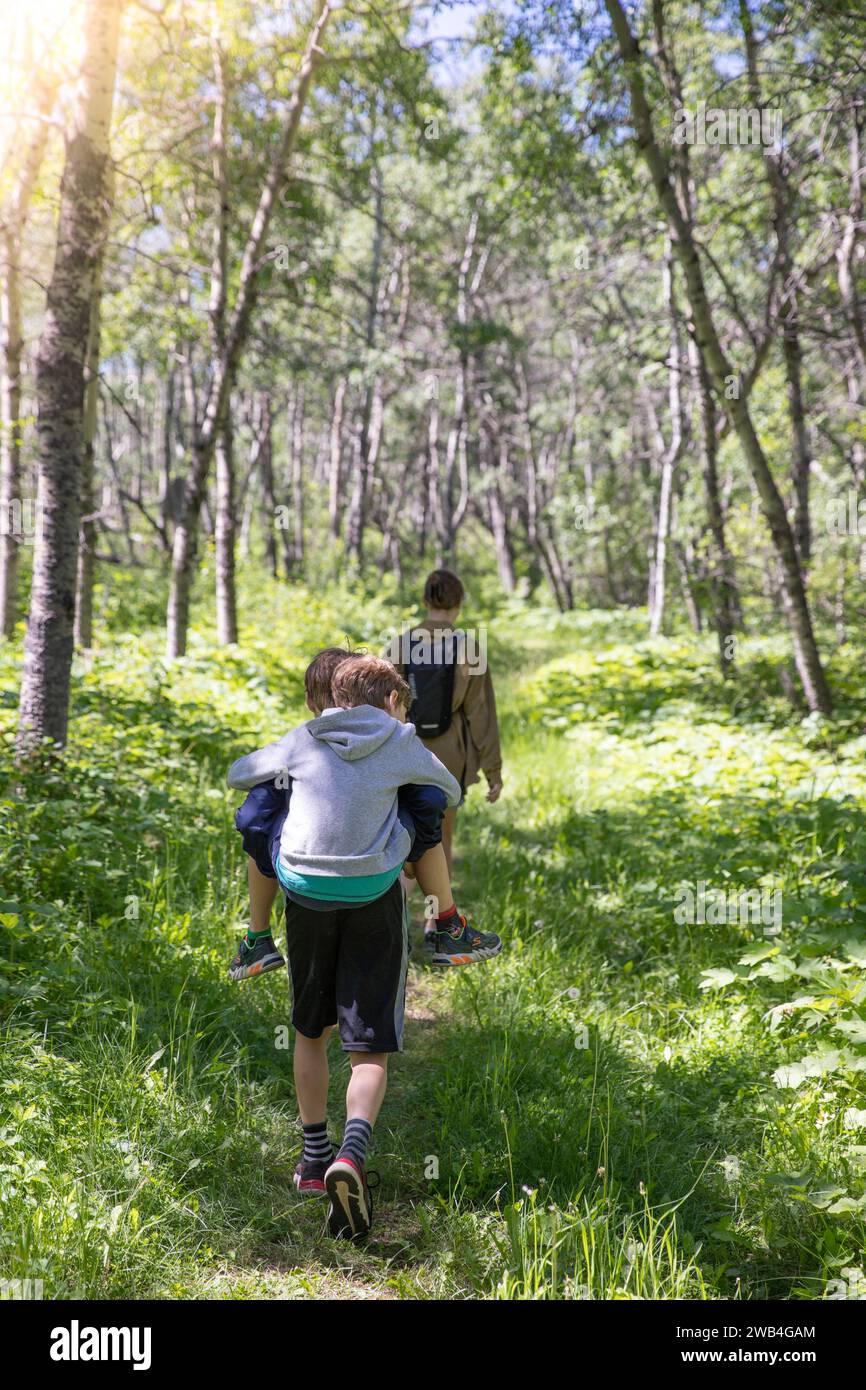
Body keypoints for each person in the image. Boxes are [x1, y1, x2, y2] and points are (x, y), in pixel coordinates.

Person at [226, 654, 501, 1238]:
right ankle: (352, 1154)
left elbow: (239, 773)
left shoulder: (306, 736)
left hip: (303, 891)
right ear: (392, 702)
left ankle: (311, 1158)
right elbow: (447, 791)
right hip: (373, 893)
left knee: (310, 1032)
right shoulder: (399, 737)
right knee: (368, 1049)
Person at [391, 570, 502, 935]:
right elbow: (481, 714)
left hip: (405, 752)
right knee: (439, 838)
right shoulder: (470, 648)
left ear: (425, 601)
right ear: (458, 604)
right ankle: (437, 922)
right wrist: (493, 771)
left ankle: (395, 916)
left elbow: (380, 709)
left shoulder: (400, 644)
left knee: (399, 833)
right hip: (447, 757)